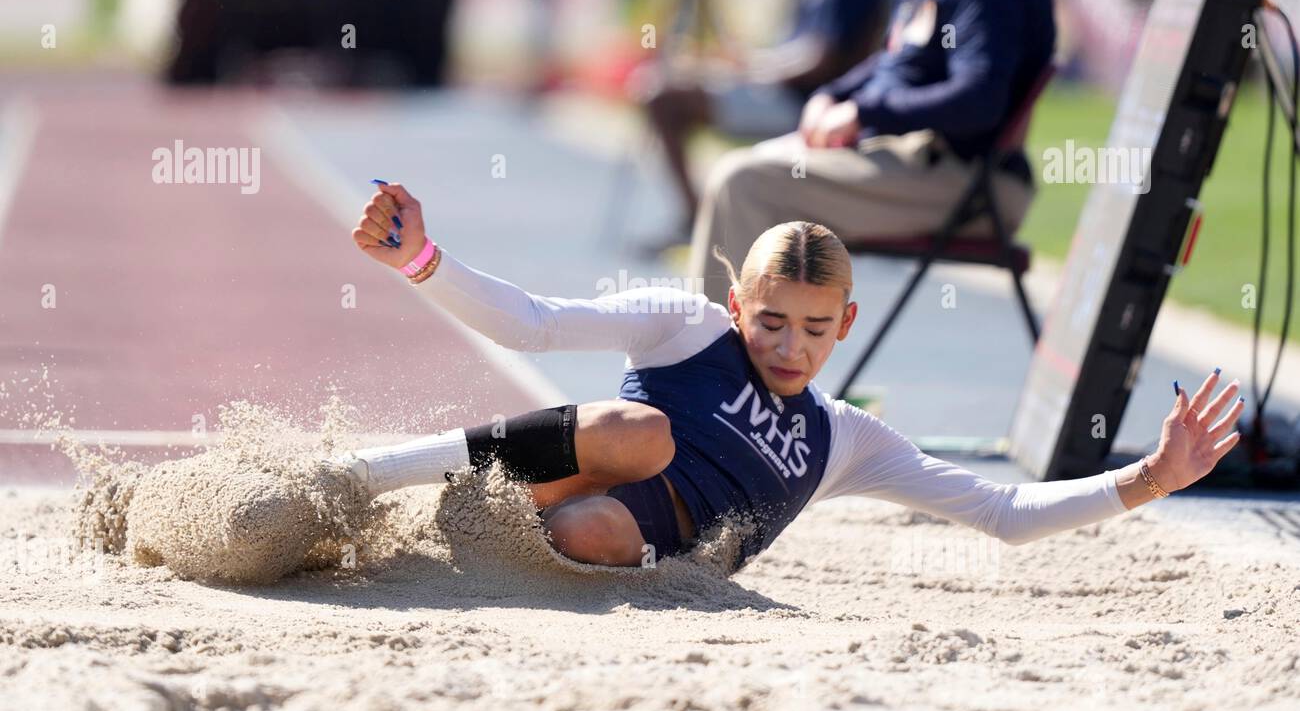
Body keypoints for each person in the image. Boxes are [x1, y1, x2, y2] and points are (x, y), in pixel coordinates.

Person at [336, 180, 1245, 572]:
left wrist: (1150, 479)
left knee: (599, 528)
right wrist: (422, 260)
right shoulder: (686, 326)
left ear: (845, 326)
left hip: (637, 549)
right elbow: (532, 325)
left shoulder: (846, 439)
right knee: (641, 432)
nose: (788, 346)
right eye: (769, 321)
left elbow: (1001, 516)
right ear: (736, 305)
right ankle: (365, 479)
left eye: (814, 330)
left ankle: (457, 531)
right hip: (582, 467)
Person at [688, 0, 1055, 303]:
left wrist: (865, 113)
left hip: (970, 181)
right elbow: (894, 61)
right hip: (922, 162)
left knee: (743, 182)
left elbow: (979, 101)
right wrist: (834, 95)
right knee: (747, 170)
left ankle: (709, 362)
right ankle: (743, 359)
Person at [630, 0, 886, 250]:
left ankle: (695, 220)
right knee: (658, 84)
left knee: (663, 99)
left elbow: (820, 61)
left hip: (807, 105)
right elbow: (798, 50)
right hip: (785, 92)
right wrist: (746, 64)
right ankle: (698, 219)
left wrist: (752, 69)